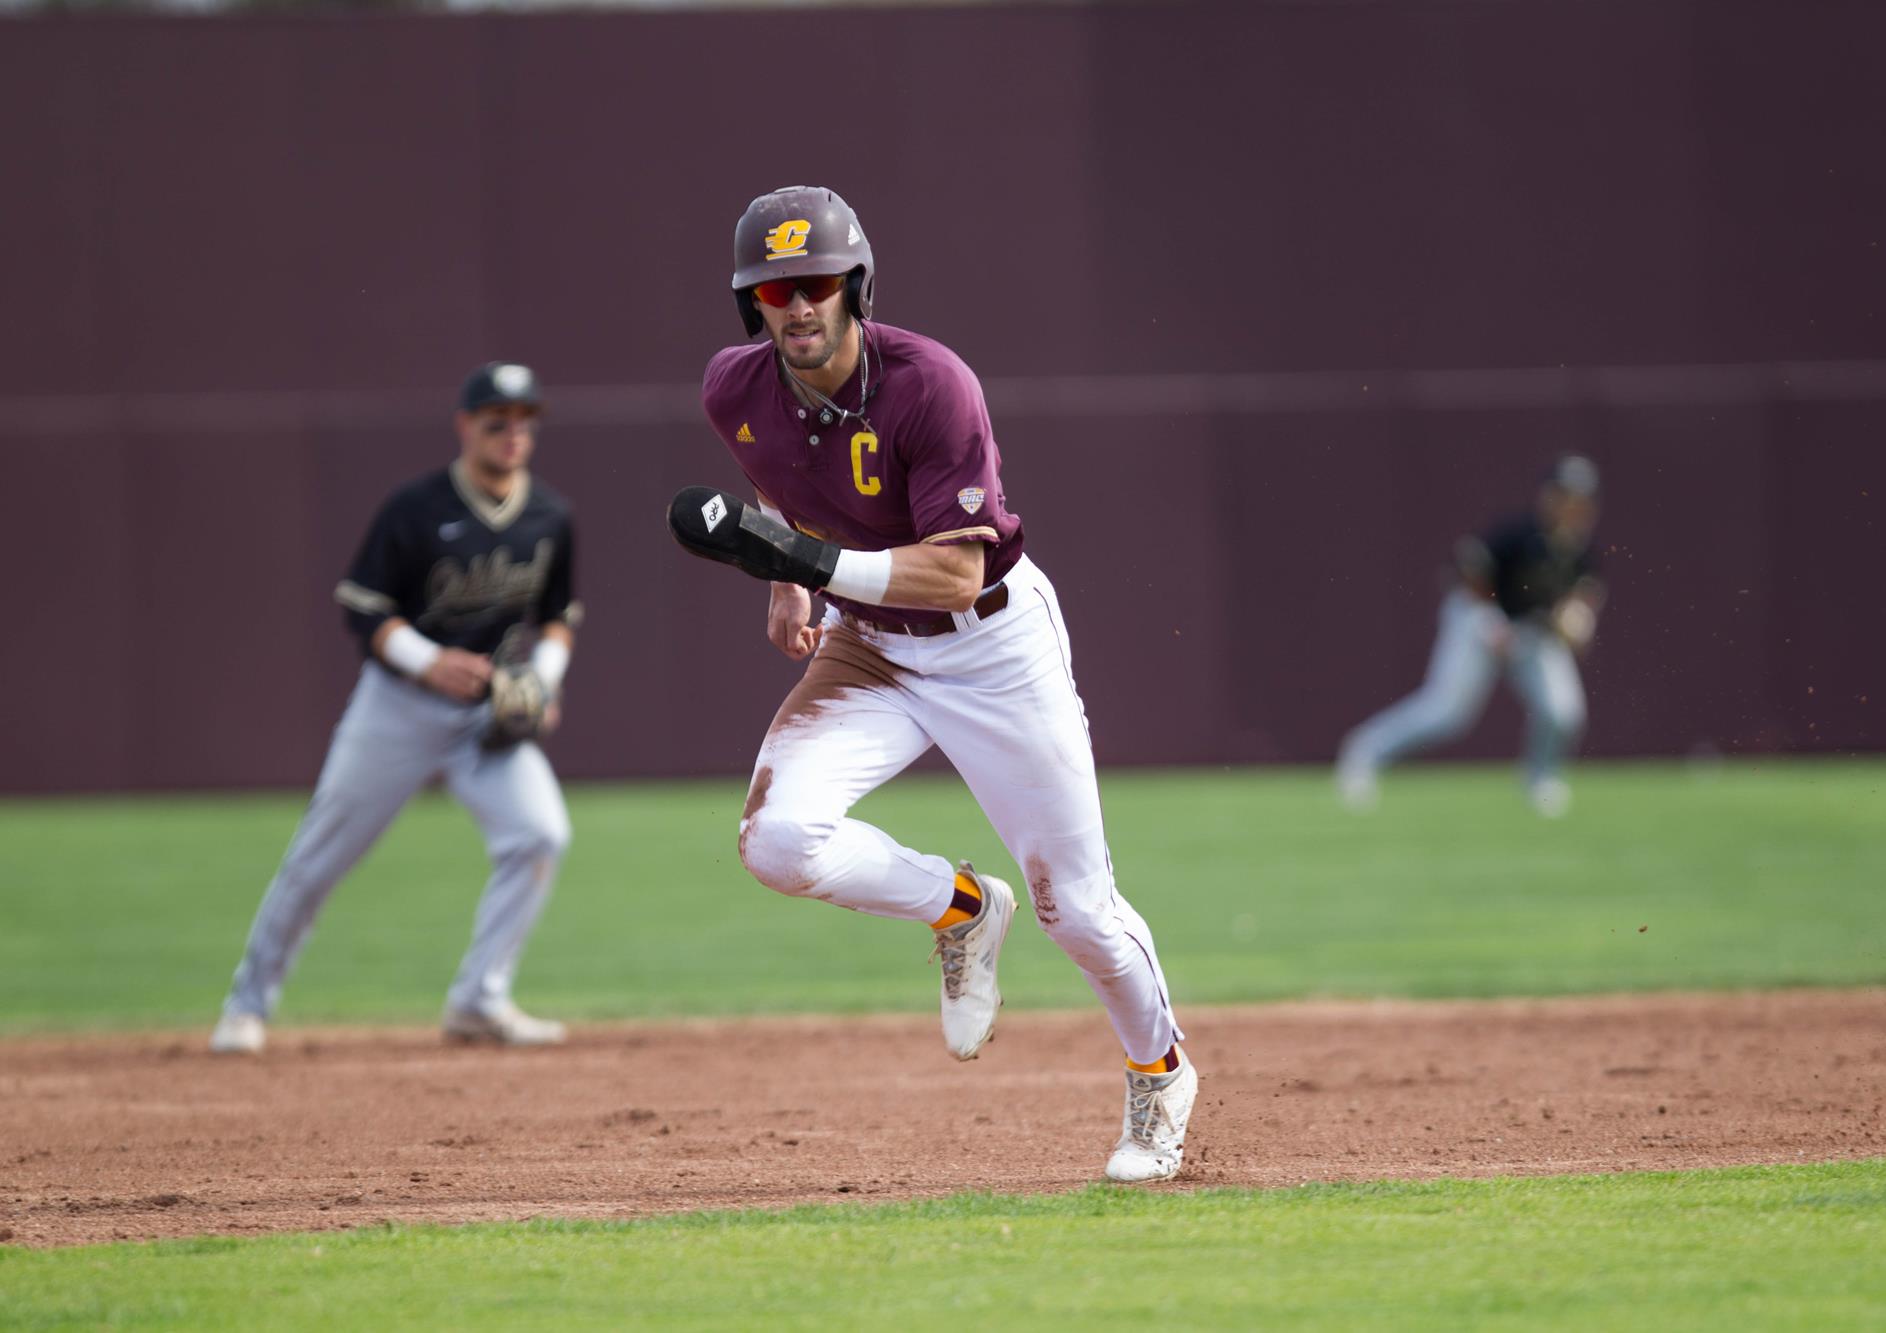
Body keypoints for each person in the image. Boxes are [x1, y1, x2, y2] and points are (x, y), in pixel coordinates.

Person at [670, 186, 1195, 1183]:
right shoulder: (732, 388)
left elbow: (956, 568)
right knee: (775, 842)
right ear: (752, 306)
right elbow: (776, 470)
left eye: (816, 283)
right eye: (774, 290)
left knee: (1077, 910)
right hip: (871, 643)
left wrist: (805, 565)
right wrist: (788, 575)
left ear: (855, 286)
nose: (797, 307)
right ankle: (957, 906)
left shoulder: (929, 383)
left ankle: (1160, 1072)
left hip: (989, 641)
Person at [209, 363, 581, 1054]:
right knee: (320, 855)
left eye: (525, 420)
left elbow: (558, 616)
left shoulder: (549, 515)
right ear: (465, 426)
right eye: (497, 420)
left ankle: (479, 1001)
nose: (513, 434)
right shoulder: (415, 508)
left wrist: (547, 679)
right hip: (399, 707)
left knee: (540, 834)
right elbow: (365, 611)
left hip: (484, 716)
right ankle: (246, 1004)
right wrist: (427, 660)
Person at [1336, 455, 1605, 817]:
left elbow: (1581, 606)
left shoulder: (1582, 553)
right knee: (1446, 714)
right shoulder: (1519, 533)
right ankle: (1364, 752)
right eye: (1564, 495)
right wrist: (1491, 621)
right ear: (1548, 496)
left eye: (1579, 498)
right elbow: (1467, 572)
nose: (1571, 505)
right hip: (1478, 622)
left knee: (1563, 712)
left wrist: (1576, 623)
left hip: (1531, 634)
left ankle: (1541, 780)